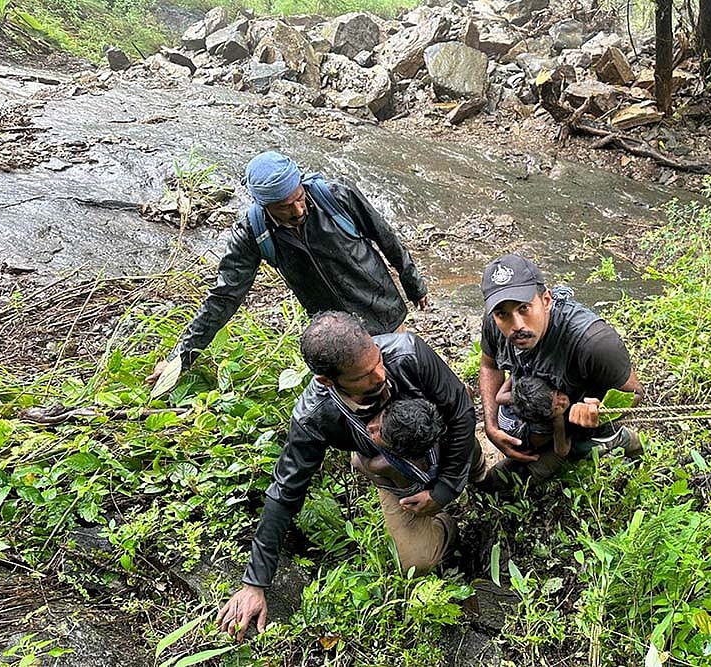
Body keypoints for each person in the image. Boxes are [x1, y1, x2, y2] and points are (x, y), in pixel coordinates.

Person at [216, 312, 482, 641]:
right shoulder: (315, 417)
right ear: (328, 381)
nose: (381, 375)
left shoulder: (407, 353)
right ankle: (446, 525)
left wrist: (444, 488)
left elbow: (460, 411)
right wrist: (254, 583)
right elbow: (284, 493)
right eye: (366, 376)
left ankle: (478, 474)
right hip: (387, 467)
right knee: (417, 561)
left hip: (437, 435)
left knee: (470, 456)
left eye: (378, 361)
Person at [146, 151, 429, 385]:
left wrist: (413, 282)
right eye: (284, 206)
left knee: (407, 374)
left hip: (381, 309)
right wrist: (180, 359)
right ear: (264, 205)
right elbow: (223, 297)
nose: (297, 210)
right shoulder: (252, 234)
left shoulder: (336, 196)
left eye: (299, 197)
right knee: (365, 389)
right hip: (335, 331)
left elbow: (386, 237)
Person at [478, 253, 646, 482]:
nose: (516, 325)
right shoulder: (493, 323)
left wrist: (602, 411)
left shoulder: (593, 343)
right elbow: (489, 365)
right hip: (535, 413)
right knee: (504, 482)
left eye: (524, 309)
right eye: (503, 314)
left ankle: (624, 439)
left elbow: (634, 394)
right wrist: (491, 425)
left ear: (546, 300)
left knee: (581, 450)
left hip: (578, 426)